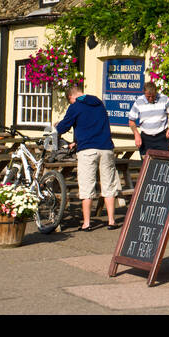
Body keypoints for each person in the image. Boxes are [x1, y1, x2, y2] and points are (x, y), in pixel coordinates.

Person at [54, 83, 118, 231]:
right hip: (106, 148)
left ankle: (87, 223)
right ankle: (111, 221)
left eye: (69, 101)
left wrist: (56, 128)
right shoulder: (99, 103)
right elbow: (93, 125)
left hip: (88, 150)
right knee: (108, 185)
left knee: (87, 186)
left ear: (71, 97)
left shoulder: (75, 106)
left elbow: (64, 127)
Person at [128, 80, 169, 155]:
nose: (151, 99)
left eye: (153, 96)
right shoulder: (139, 101)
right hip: (146, 139)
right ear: (144, 93)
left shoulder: (164, 99)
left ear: (156, 92)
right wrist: (136, 134)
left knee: (162, 163)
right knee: (146, 164)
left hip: (162, 137)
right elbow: (131, 120)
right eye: (148, 97)